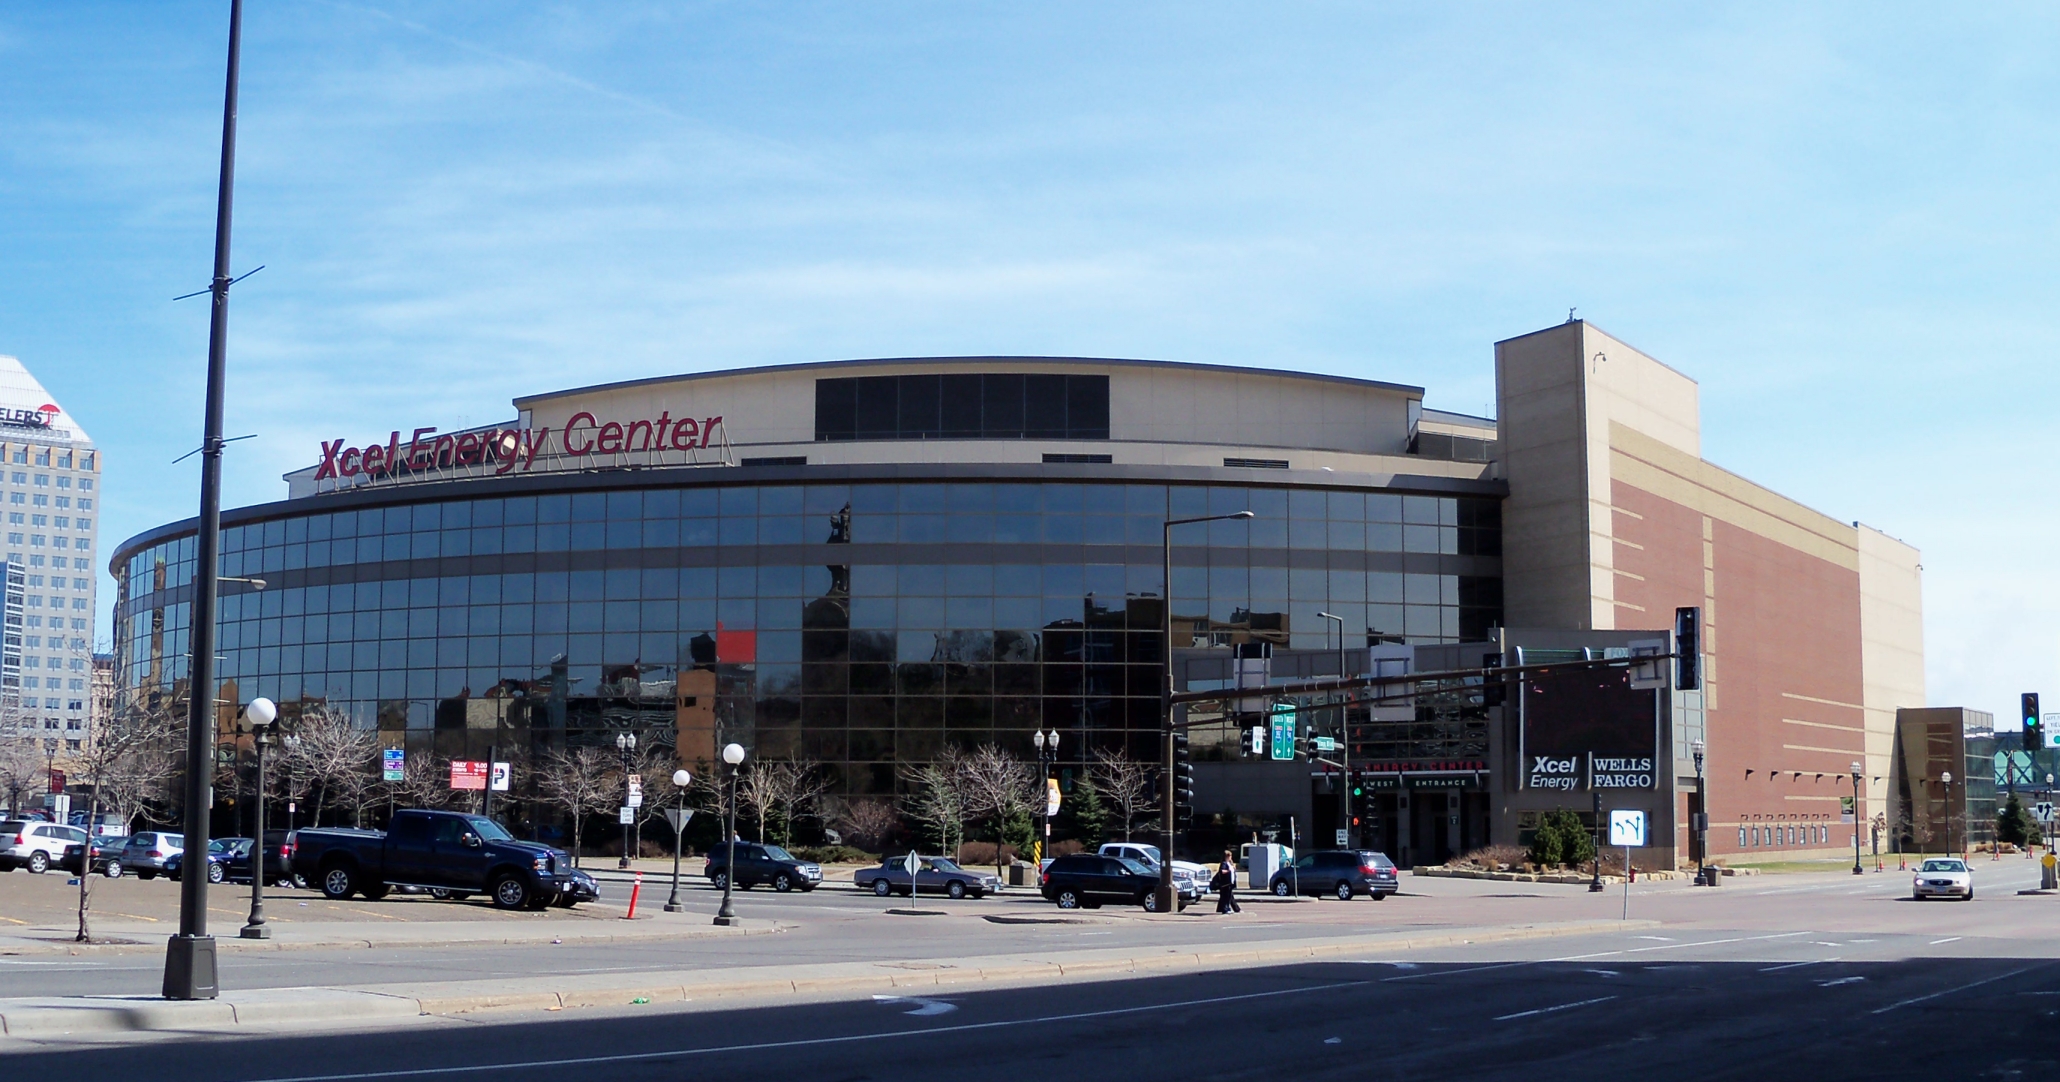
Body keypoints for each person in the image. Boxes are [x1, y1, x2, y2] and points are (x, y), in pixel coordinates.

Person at [1214, 849, 1241, 914]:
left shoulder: (1230, 863)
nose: (1230, 857)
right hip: (1225, 883)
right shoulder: (1224, 863)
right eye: (1229, 856)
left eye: (1230, 856)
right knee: (1226, 897)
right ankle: (1225, 909)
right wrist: (1229, 871)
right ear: (1226, 856)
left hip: (1230, 883)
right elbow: (1222, 871)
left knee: (1228, 896)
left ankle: (1224, 908)